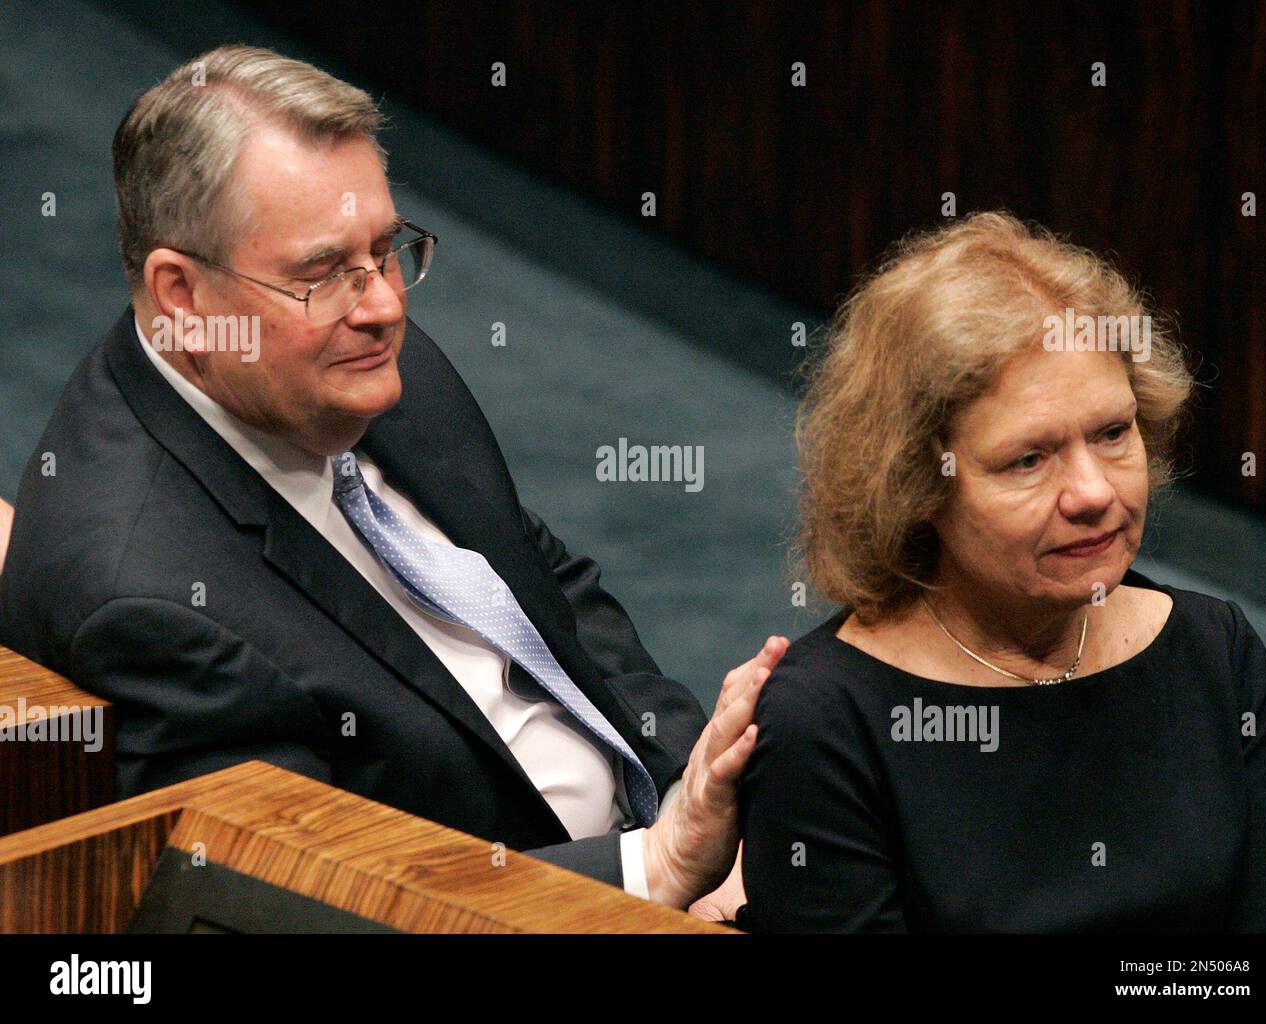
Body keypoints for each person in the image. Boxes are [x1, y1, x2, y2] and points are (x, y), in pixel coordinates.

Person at [0, 44, 788, 916]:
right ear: (182, 296)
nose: (382, 304)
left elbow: (545, 583)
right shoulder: (145, 598)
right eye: (322, 271)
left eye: (387, 250)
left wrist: (698, 786)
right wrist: (657, 871)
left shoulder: (344, 356)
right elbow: (309, 908)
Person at [737, 211, 1266, 932]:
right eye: (1029, 460)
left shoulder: (1215, 653)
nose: (1094, 493)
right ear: (917, 485)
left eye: (1113, 433)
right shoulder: (825, 724)